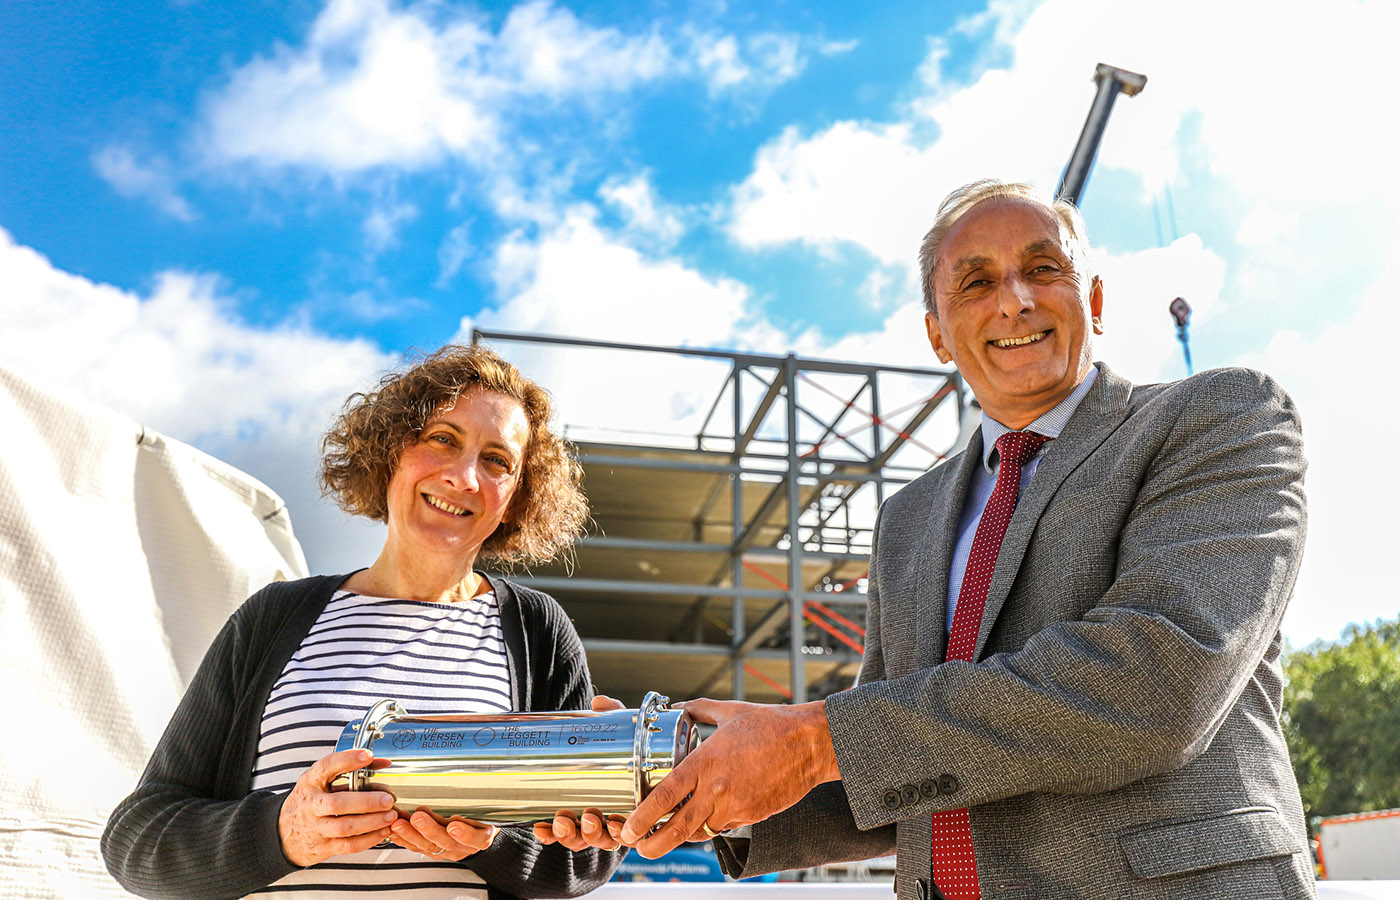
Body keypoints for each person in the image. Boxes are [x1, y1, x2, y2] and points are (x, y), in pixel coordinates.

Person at [613, 180, 1316, 900]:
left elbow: (1160, 680)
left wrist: (812, 739)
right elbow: (899, 762)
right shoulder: (908, 518)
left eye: (1044, 270)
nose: (1014, 300)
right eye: (976, 282)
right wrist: (690, 780)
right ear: (937, 335)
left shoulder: (1222, 416)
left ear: (1096, 301)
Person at [103, 344, 623, 900]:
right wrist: (285, 831)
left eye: (497, 460)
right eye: (442, 438)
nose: (465, 476)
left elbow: (585, 860)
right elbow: (137, 839)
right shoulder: (275, 618)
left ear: (517, 496)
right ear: (393, 450)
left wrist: (492, 841)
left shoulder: (536, 632)